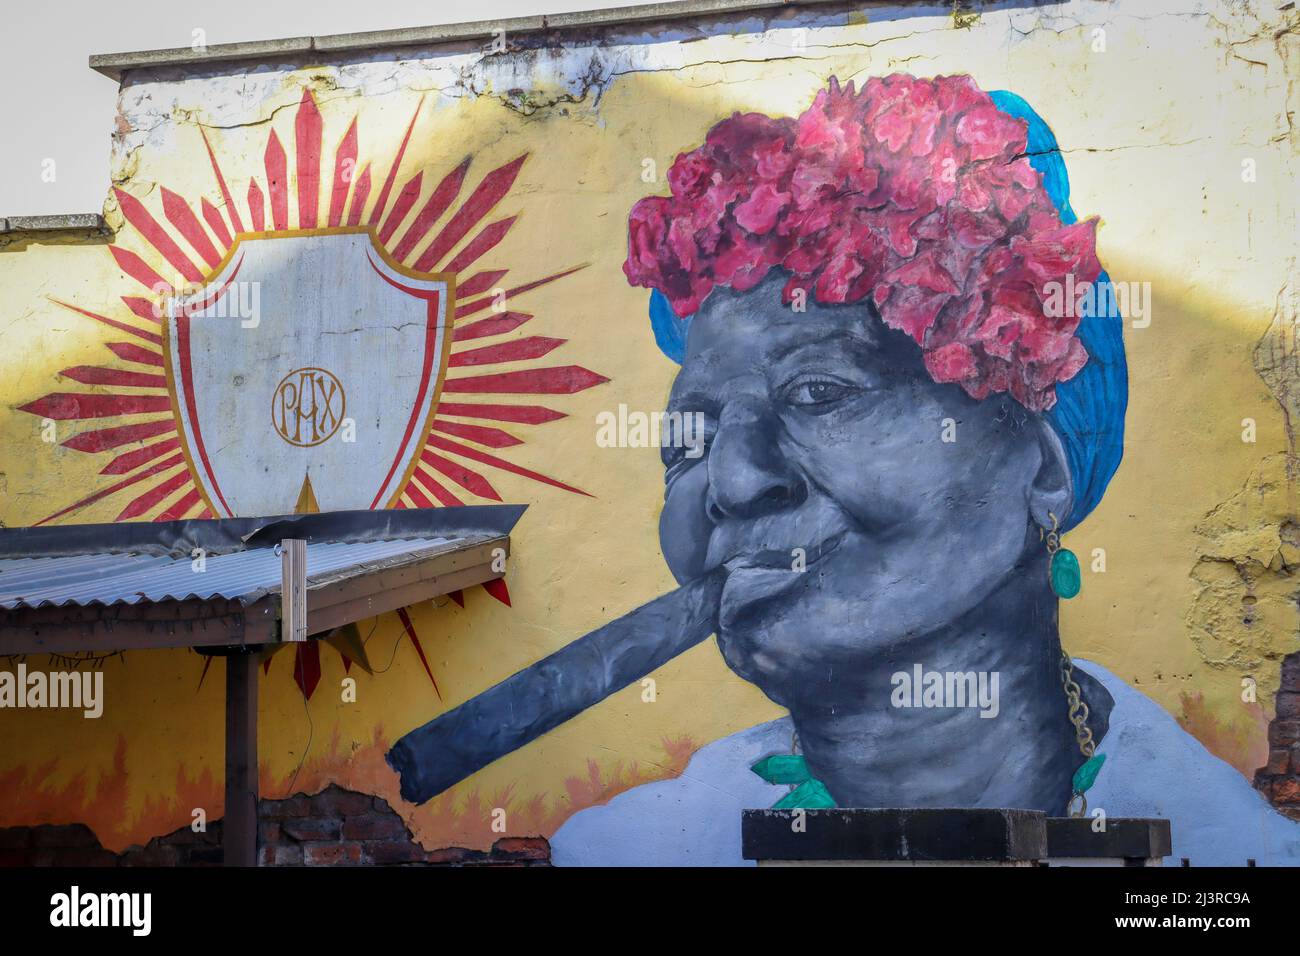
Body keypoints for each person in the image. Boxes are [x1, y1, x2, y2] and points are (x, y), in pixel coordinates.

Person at [550, 75, 1300, 866]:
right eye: (688, 438)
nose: (733, 480)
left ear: (1042, 467)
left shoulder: (1226, 866)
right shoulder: (629, 852)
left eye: (820, 392)